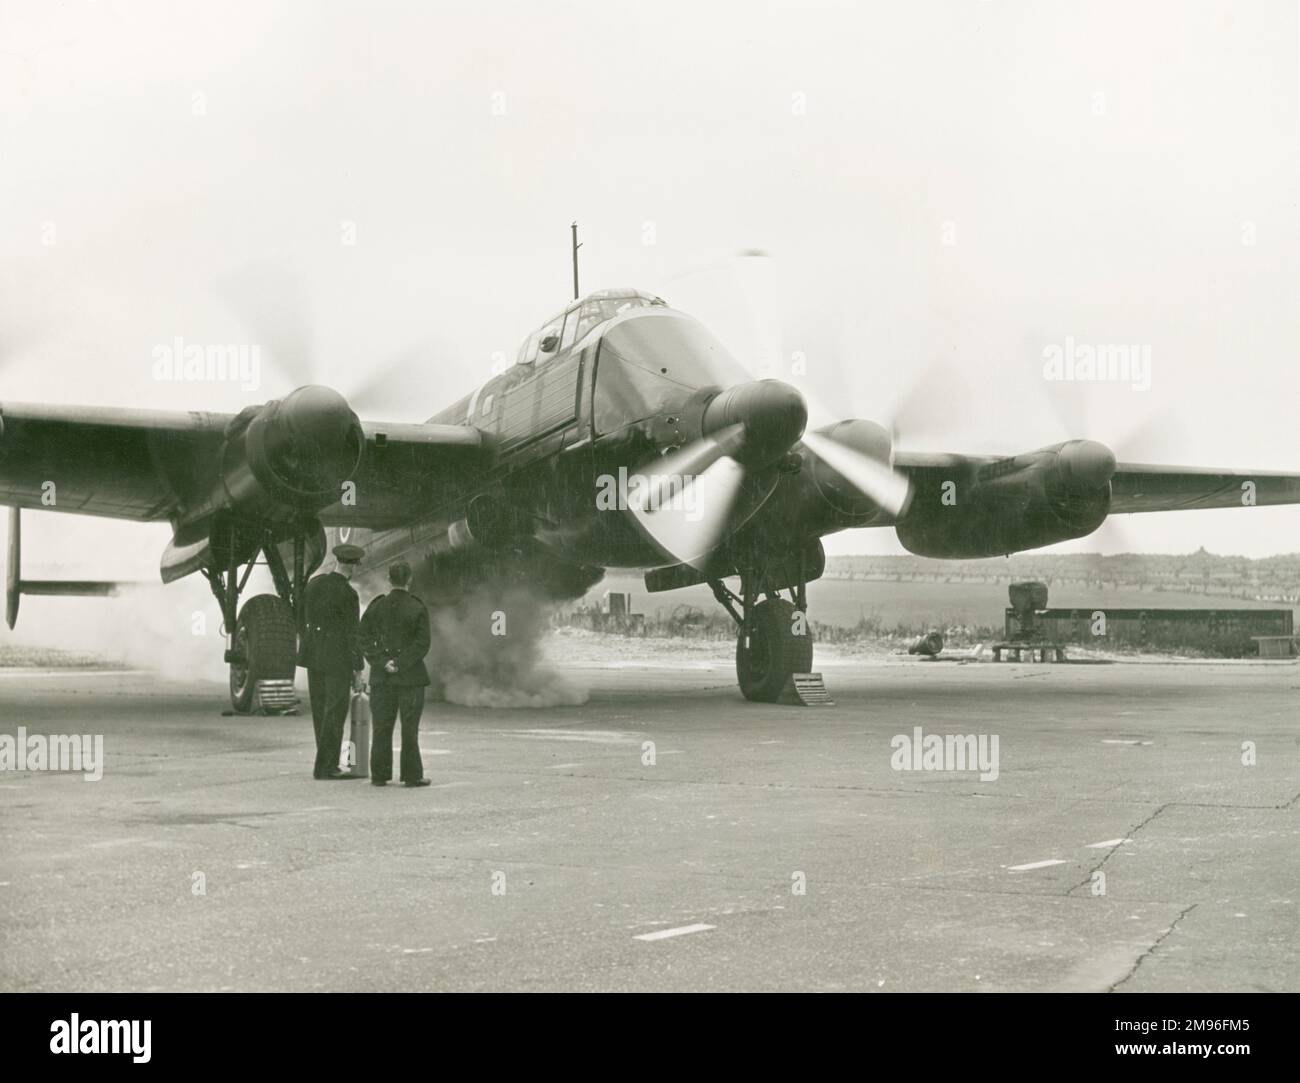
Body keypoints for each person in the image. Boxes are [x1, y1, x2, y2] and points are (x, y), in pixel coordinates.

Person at [360, 560, 431, 788]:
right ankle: (412, 776)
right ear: (409, 580)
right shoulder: (417, 606)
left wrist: (382, 662)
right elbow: (422, 644)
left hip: (382, 678)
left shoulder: (377, 606)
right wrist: (400, 663)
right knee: (410, 729)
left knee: (381, 728)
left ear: (389, 580)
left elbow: (363, 638)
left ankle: (379, 776)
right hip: (411, 679)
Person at [298, 543, 366, 780]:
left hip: (313, 656)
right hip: (337, 659)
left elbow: (300, 616)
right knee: (335, 713)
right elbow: (352, 634)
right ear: (354, 566)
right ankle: (326, 767)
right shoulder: (348, 595)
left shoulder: (315, 584)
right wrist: (358, 669)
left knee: (320, 711)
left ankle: (325, 761)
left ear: (337, 561)